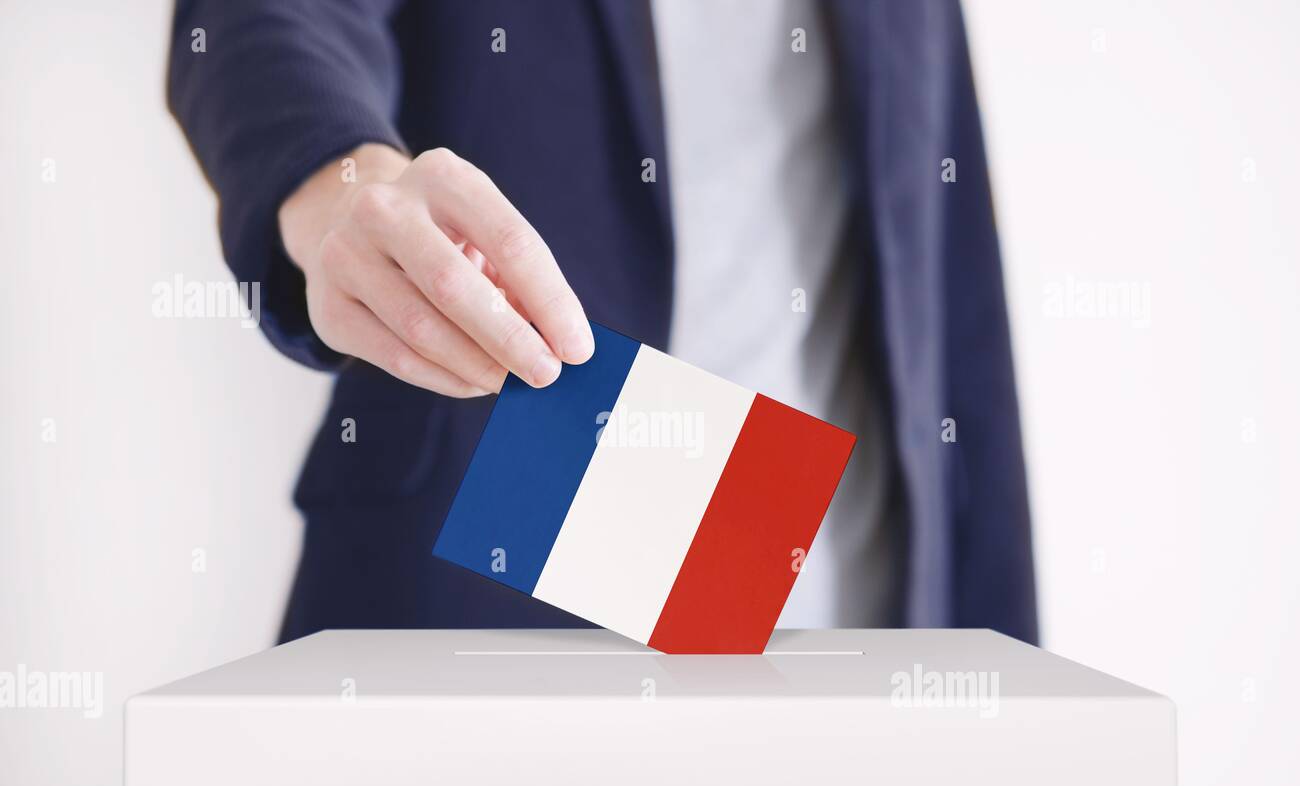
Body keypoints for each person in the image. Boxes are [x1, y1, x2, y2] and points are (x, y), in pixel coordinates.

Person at [168, 0, 1037, 645]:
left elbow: (949, 283)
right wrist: (344, 183)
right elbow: (266, 20)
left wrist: (1003, 659)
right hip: (501, 569)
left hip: (843, 608)